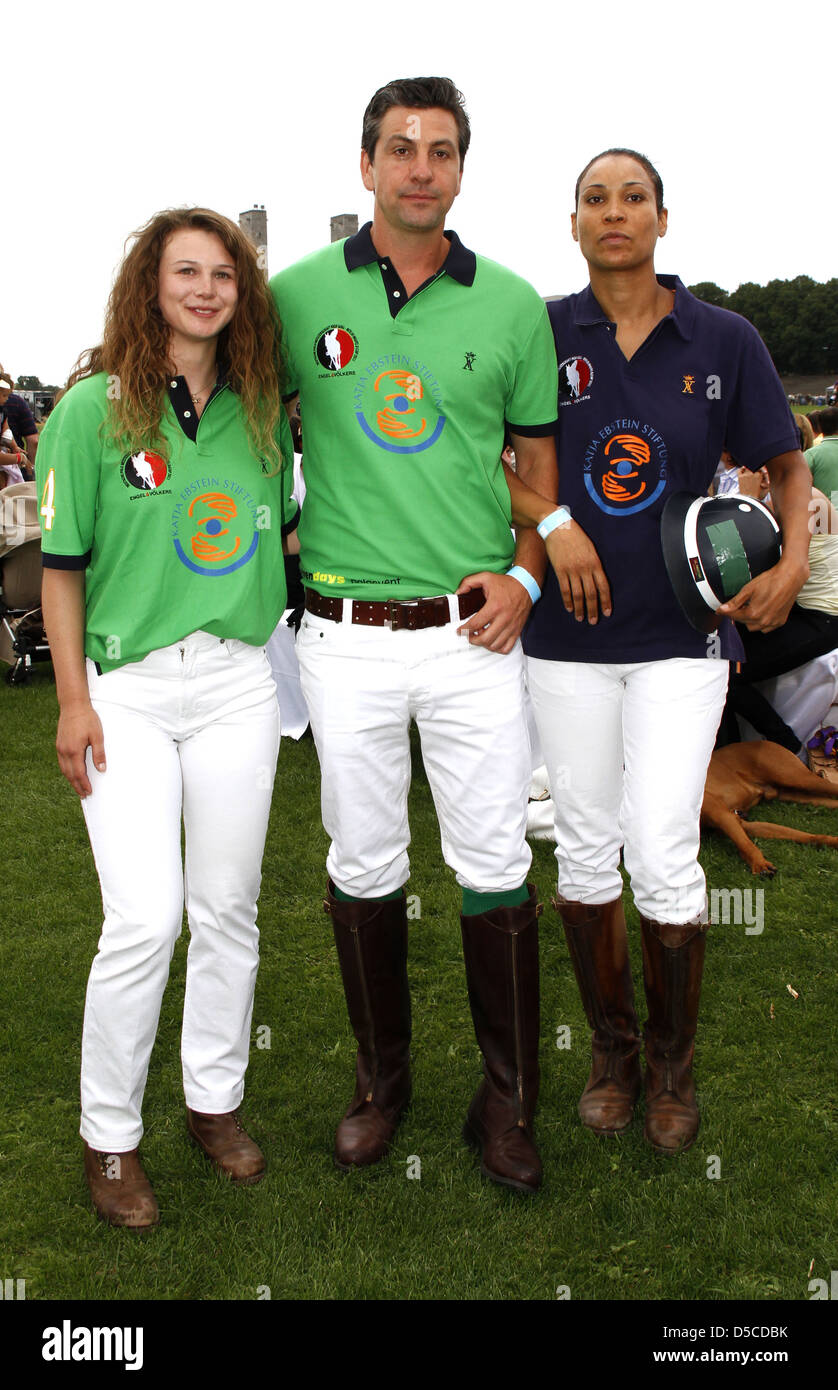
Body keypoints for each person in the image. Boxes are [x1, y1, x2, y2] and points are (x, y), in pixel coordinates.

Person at [270, 76, 567, 1194]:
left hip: (474, 635)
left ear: (460, 169)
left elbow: (536, 474)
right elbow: (243, 417)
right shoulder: (295, 293)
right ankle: (381, 1087)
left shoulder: (513, 306)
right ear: (366, 167)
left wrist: (527, 579)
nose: (421, 166)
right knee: (363, 861)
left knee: (493, 862)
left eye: (441, 149)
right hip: (342, 636)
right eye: (400, 147)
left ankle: (509, 1104)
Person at [523, 149, 812, 1153]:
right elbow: (494, 461)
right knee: (587, 848)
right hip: (564, 642)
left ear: (661, 218)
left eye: (632, 198)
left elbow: (786, 461)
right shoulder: (542, 330)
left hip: (683, 641)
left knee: (662, 849)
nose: (615, 214)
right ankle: (612, 1053)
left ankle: (673, 1067)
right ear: (573, 224)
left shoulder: (723, 336)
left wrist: (790, 563)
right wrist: (554, 522)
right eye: (596, 200)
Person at [35, 208, 297, 1228]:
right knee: (146, 916)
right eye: (185, 270)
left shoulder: (266, 407)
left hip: (237, 682)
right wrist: (70, 701)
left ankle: (213, 1101)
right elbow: (61, 573)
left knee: (228, 908)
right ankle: (110, 1140)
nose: (205, 288)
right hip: (125, 693)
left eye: (223, 273)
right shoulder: (91, 408)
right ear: (151, 284)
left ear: (242, 292)